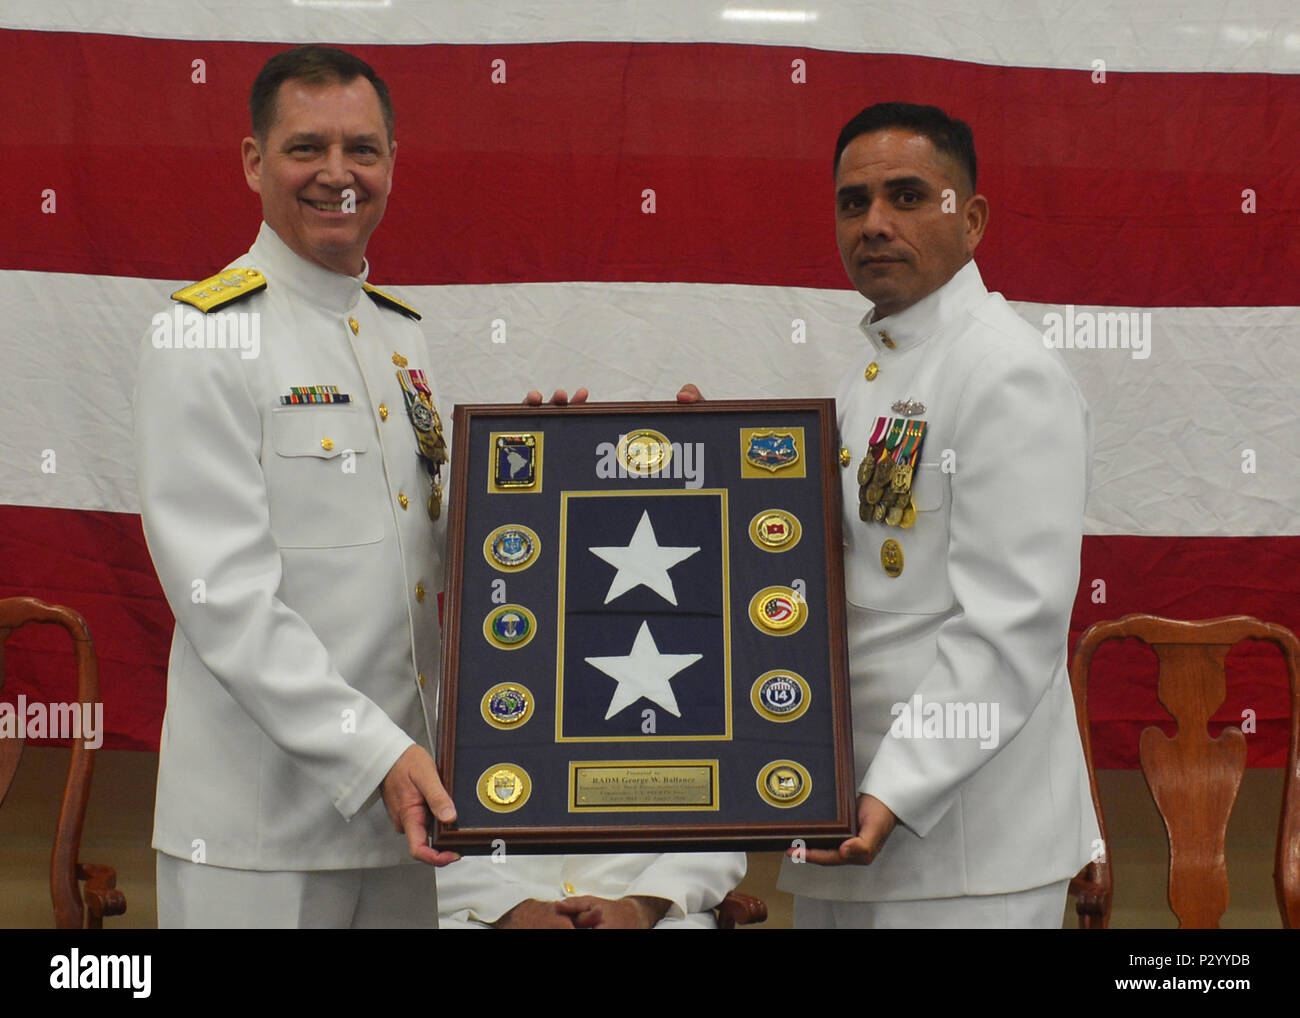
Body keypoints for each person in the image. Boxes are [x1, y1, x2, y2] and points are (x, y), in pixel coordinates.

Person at [687, 102, 1099, 928]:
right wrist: (709, 469)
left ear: (971, 219)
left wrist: (896, 784)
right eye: (853, 203)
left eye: (908, 196)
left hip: (965, 846)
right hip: (849, 821)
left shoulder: (1004, 372)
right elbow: (826, 563)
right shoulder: (872, 376)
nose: (874, 223)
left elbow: (1011, 624)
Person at [135, 45, 466, 928]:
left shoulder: (404, 340)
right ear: (253, 162)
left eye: (362, 149)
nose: (337, 174)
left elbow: (434, 555)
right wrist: (376, 755)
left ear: (393, 163)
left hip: (405, 819)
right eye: (304, 148)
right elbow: (228, 600)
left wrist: (553, 471)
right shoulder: (200, 337)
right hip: (257, 836)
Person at [437, 852, 747, 929]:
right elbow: (427, 844)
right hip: (485, 912)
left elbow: (720, 839)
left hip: (659, 913)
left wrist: (640, 908)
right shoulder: (455, 700)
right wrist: (514, 910)